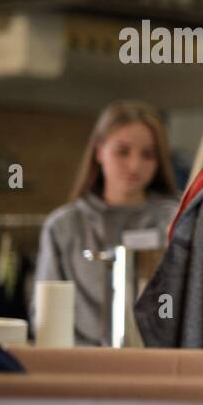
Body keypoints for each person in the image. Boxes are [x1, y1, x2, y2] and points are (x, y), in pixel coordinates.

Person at [36, 100, 179, 346]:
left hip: (156, 363)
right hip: (79, 366)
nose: (135, 165)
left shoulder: (175, 221)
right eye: (122, 151)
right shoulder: (63, 226)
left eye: (148, 154)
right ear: (99, 151)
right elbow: (44, 311)